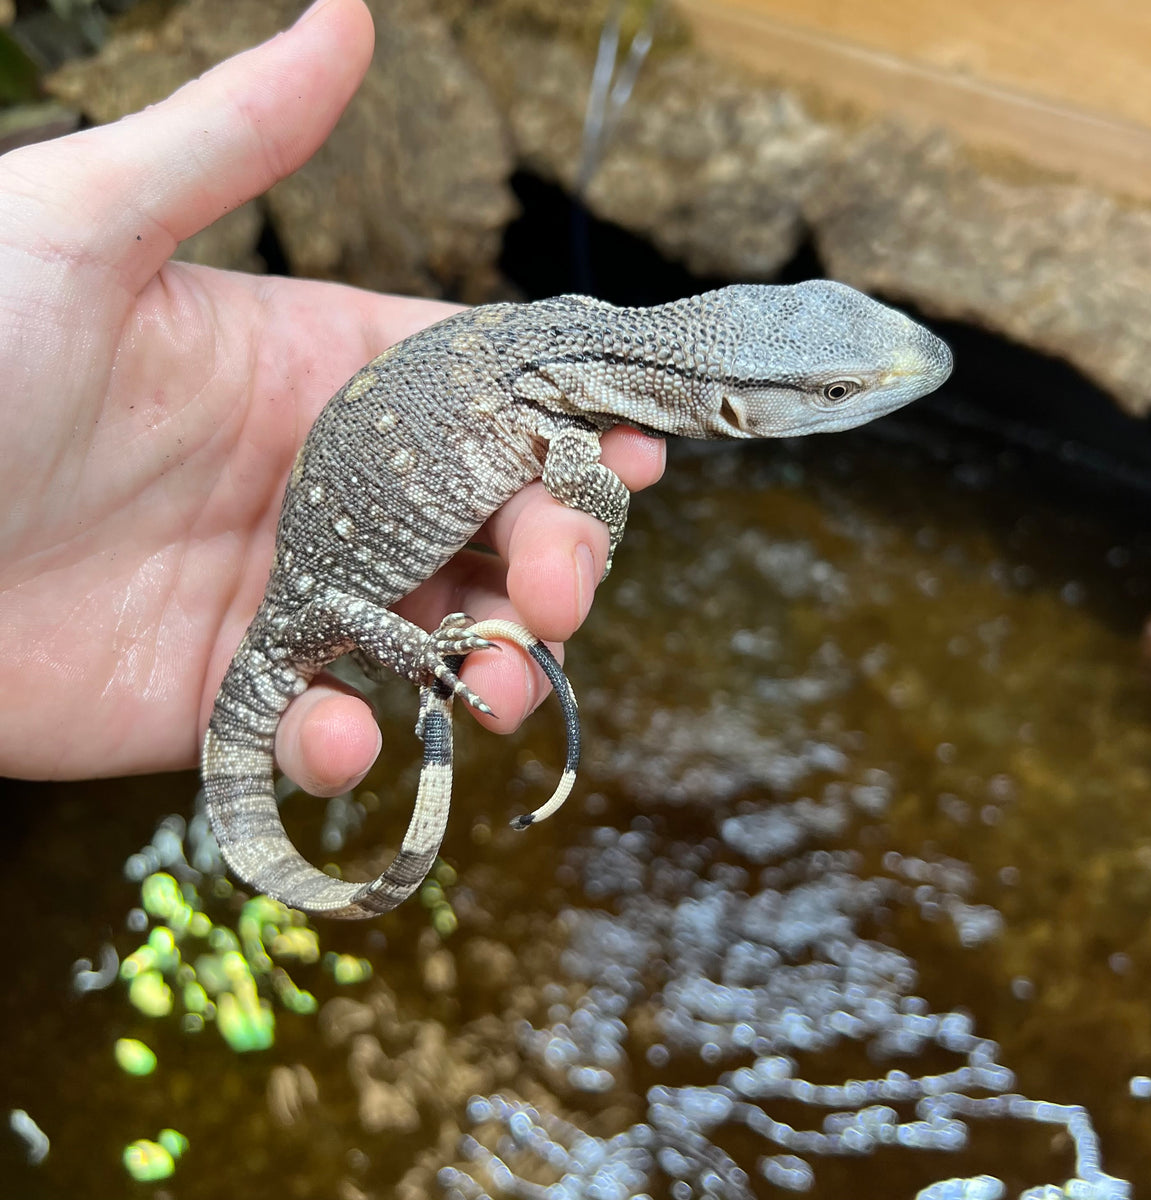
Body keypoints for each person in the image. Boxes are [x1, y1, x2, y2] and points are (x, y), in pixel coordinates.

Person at [0, 0, 664, 795]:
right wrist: (425, 654)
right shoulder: (585, 356)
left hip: (307, 578)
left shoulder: (586, 356)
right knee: (401, 641)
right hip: (311, 598)